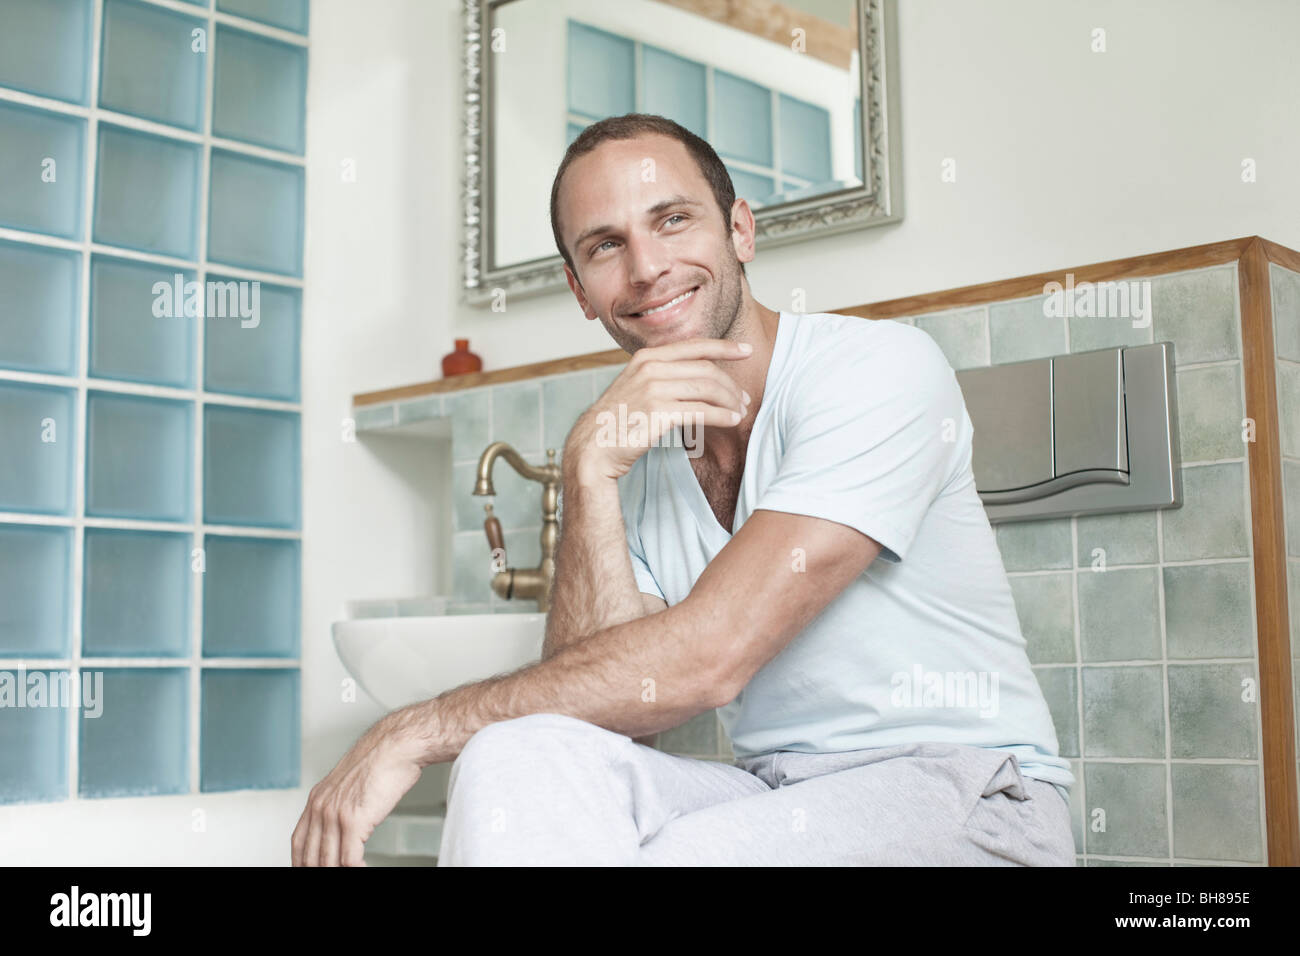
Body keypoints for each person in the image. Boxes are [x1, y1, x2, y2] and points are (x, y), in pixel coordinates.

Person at [291, 113, 1075, 867]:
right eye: (606, 245)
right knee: (519, 750)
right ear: (579, 287)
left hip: (968, 797)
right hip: (775, 797)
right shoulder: (634, 450)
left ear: (740, 230)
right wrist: (589, 474)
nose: (646, 268)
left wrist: (415, 729)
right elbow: (590, 725)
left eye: (672, 221)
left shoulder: (876, 370)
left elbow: (710, 657)